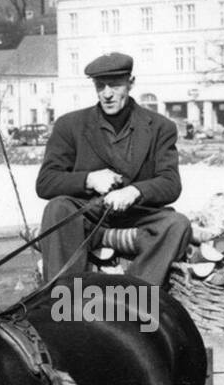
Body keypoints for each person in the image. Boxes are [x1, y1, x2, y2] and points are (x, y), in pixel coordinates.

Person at [35, 52, 191, 285]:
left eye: (115, 85)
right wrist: (88, 179)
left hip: (137, 218)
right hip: (87, 218)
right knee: (58, 208)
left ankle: (132, 299)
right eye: (100, 85)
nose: (107, 93)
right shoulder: (70, 125)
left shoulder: (160, 127)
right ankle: (64, 301)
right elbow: (46, 182)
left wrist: (135, 191)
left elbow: (171, 184)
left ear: (131, 83)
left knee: (177, 224)